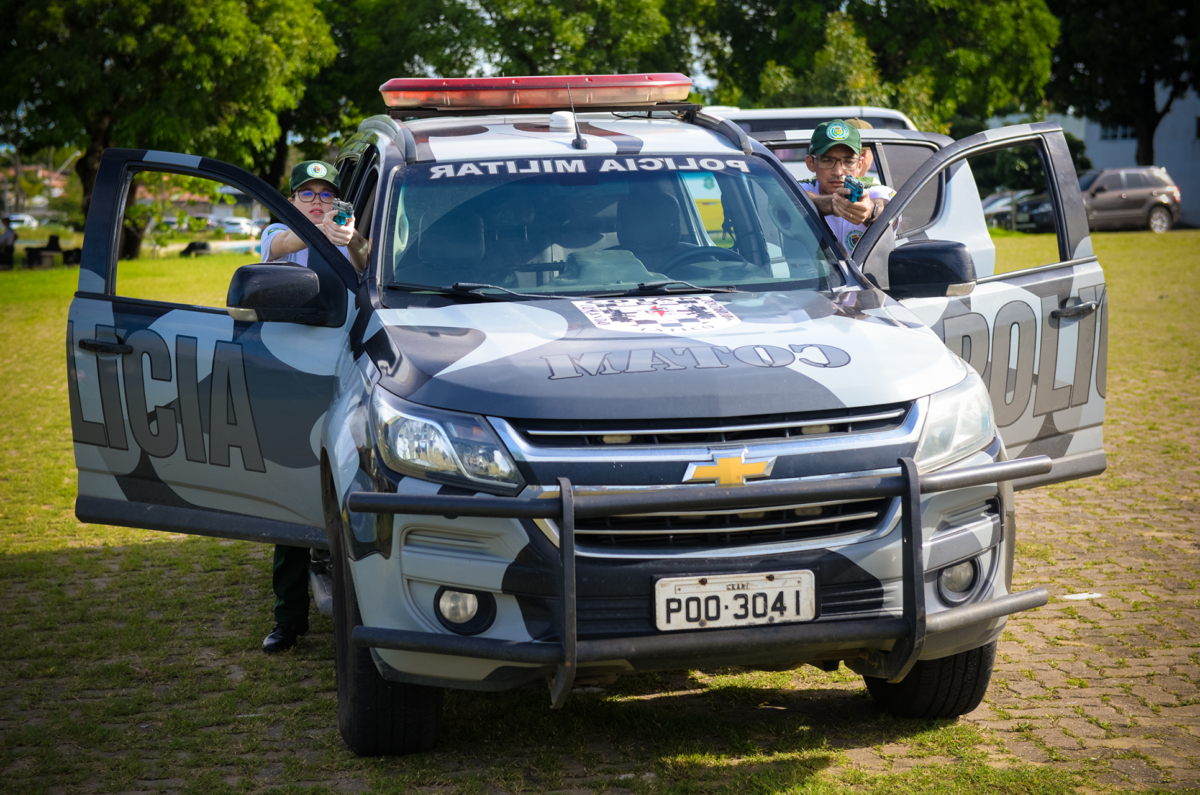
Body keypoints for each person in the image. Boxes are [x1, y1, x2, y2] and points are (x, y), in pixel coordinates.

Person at [260, 160, 367, 654]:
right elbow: (281, 246)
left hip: (349, 374)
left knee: (354, 490)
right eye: (307, 194)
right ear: (290, 201)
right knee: (292, 494)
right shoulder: (279, 234)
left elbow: (369, 263)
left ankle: (365, 608)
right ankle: (289, 617)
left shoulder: (348, 236)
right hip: (293, 377)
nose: (318, 202)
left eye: (327, 195)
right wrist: (317, 233)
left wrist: (354, 239)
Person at [800, 120, 896, 253]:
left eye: (849, 161)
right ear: (810, 163)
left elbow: (890, 208)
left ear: (860, 164)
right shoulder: (800, 188)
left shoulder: (875, 190)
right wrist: (834, 204)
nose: (838, 171)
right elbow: (783, 197)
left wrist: (871, 210)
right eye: (827, 160)